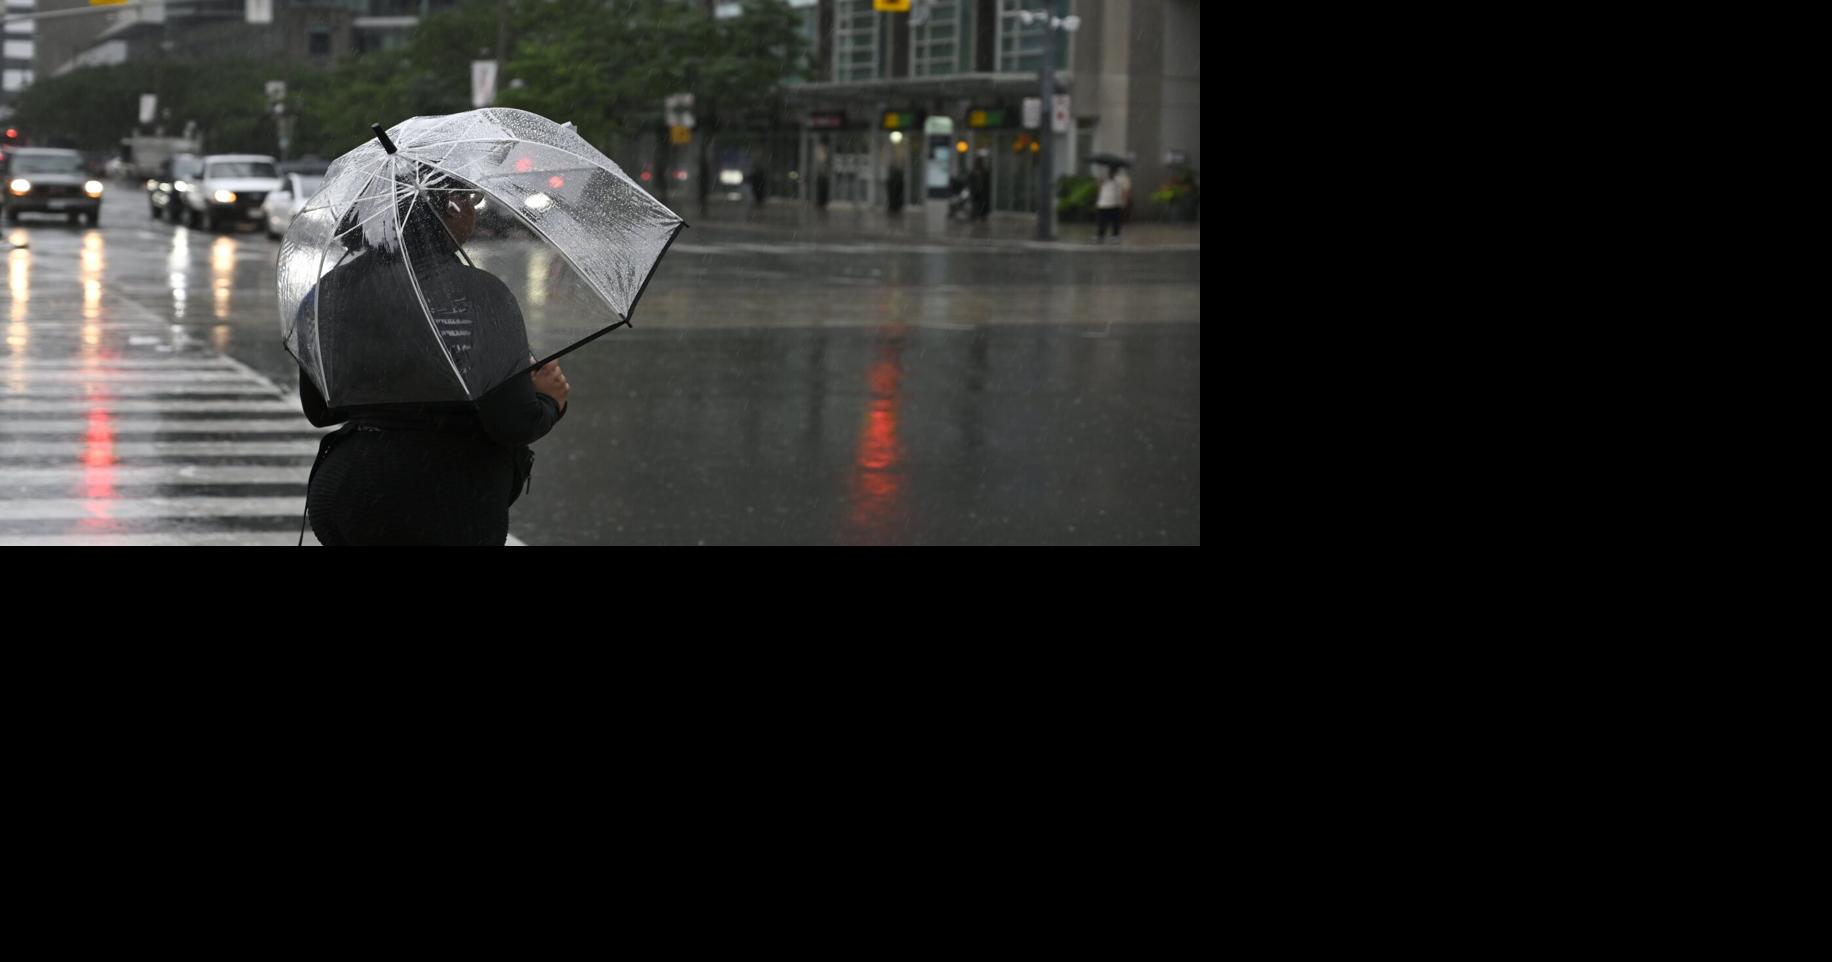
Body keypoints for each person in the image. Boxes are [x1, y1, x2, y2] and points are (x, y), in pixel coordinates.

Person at [296, 172, 569, 545]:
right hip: (446, 497)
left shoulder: (328, 291)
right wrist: (549, 400)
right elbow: (512, 422)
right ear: (446, 211)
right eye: (466, 199)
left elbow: (320, 409)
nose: (472, 209)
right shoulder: (480, 295)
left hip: (349, 491)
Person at [1095, 165, 1124, 242]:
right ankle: (1100, 236)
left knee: (1115, 222)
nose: (1112, 173)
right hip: (1103, 204)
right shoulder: (1104, 179)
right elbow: (1099, 188)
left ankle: (1115, 236)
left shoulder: (1119, 180)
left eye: (1114, 171)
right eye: (1111, 171)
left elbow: (1121, 192)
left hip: (1115, 204)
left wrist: (1122, 201)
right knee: (1102, 222)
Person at [969, 154, 991, 222]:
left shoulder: (984, 172)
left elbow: (987, 182)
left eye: (978, 161)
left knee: (982, 205)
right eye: (976, 161)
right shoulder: (973, 172)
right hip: (975, 192)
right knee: (975, 205)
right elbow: (970, 182)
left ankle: (982, 216)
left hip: (983, 193)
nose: (977, 163)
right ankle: (975, 216)